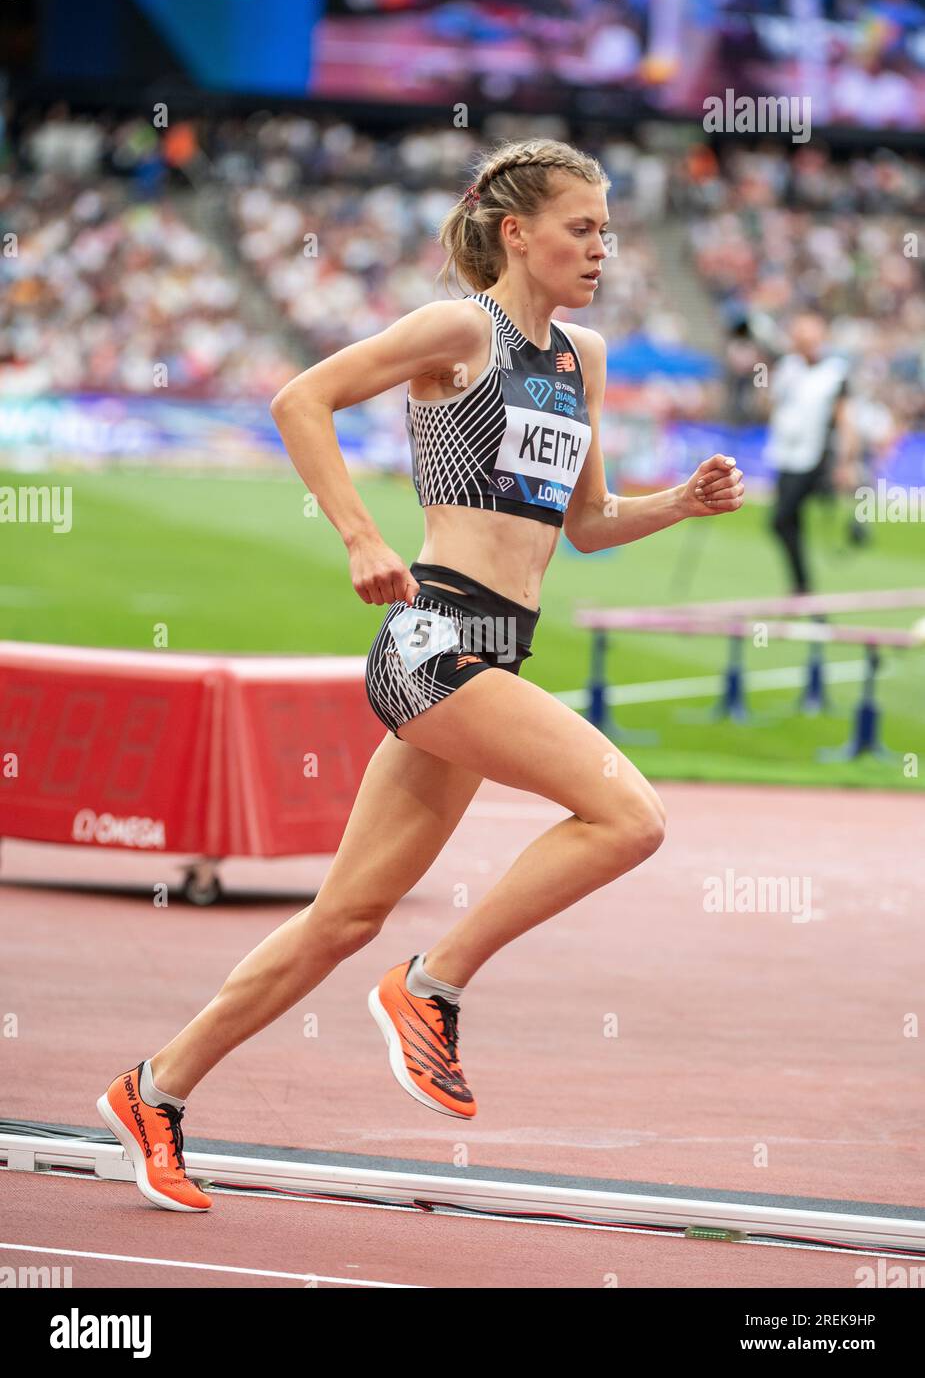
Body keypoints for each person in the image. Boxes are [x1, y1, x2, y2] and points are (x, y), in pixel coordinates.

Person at [96, 137, 745, 1212]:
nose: (602, 249)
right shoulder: (461, 330)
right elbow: (301, 398)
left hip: (493, 652)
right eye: (581, 229)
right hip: (431, 643)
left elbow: (581, 523)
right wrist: (358, 535)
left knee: (341, 919)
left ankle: (153, 1089)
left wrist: (675, 501)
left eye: (606, 230)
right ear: (516, 234)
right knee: (628, 817)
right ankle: (430, 985)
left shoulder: (579, 356)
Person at [766, 312, 857, 595]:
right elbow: (772, 406)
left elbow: (845, 420)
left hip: (815, 458)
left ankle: (803, 585)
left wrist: (847, 461)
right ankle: (802, 586)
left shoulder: (835, 373)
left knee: (782, 518)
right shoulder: (786, 368)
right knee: (785, 522)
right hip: (786, 455)